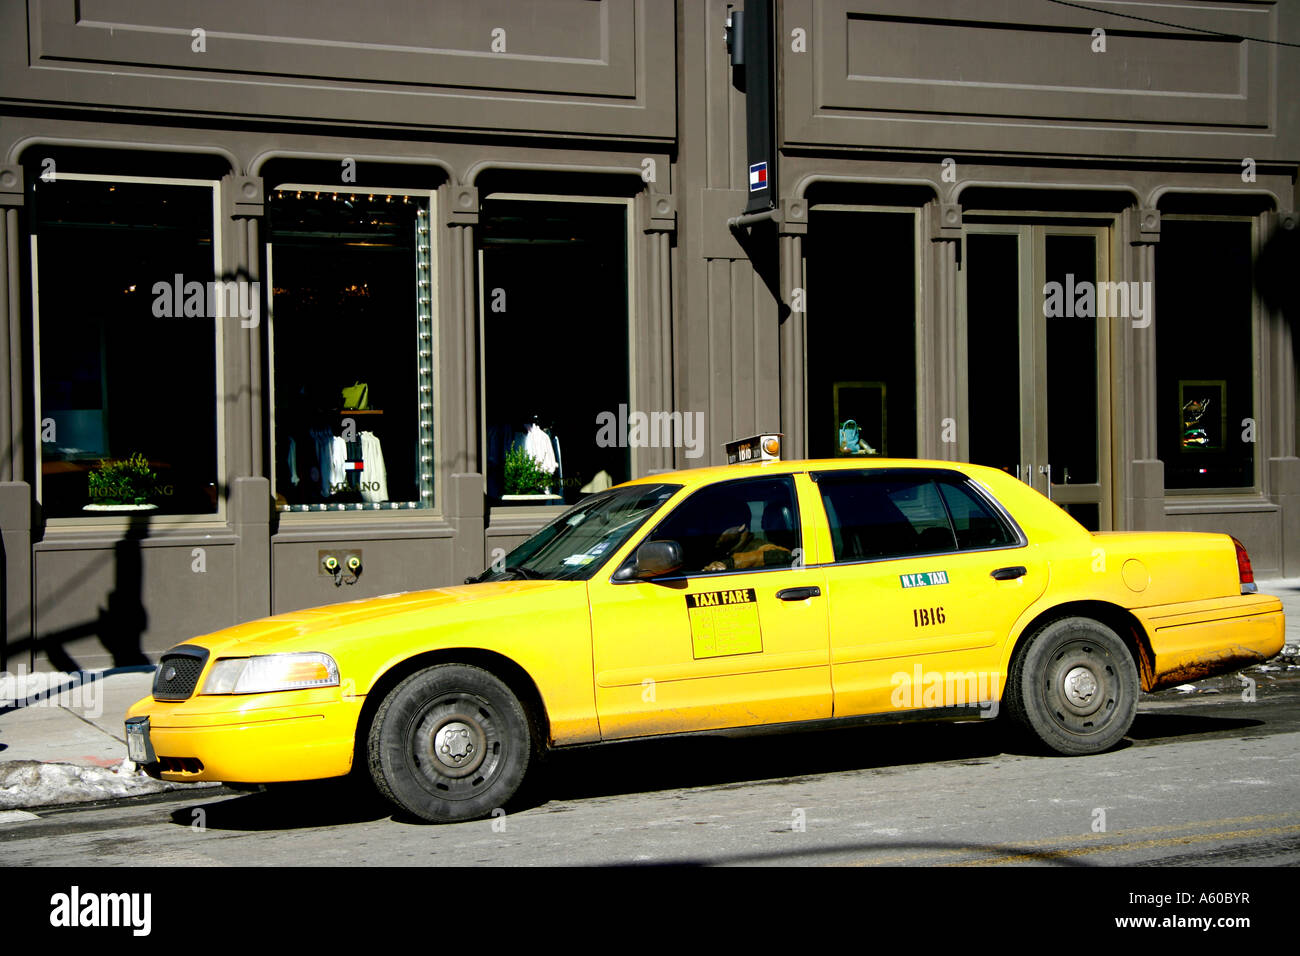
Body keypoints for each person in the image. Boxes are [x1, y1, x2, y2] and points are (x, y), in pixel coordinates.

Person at [702, 501, 793, 572]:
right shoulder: (720, 552)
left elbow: (785, 555)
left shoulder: (759, 546)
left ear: (741, 527)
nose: (714, 531)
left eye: (720, 525)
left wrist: (730, 564)